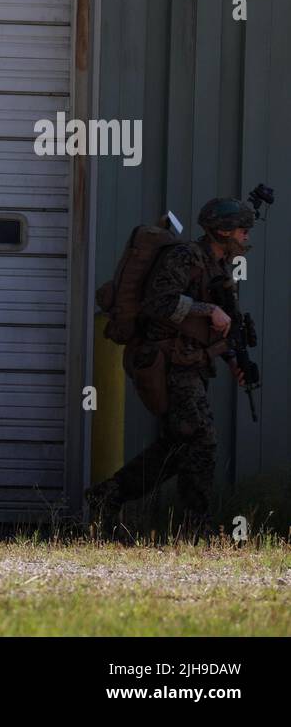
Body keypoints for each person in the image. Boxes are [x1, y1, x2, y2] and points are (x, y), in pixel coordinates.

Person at [86, 198, 257, 536]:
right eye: (242, 230)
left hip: (191, 364)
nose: (246, 237)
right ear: (223, 231)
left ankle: (108, 495)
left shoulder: (219, 268)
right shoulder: (186, 257)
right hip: (167, 362)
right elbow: (157, 303)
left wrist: (235, 360)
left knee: (180, 444)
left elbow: (220, 328)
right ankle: (196, 529)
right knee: (201, 438)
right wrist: (208, 309)